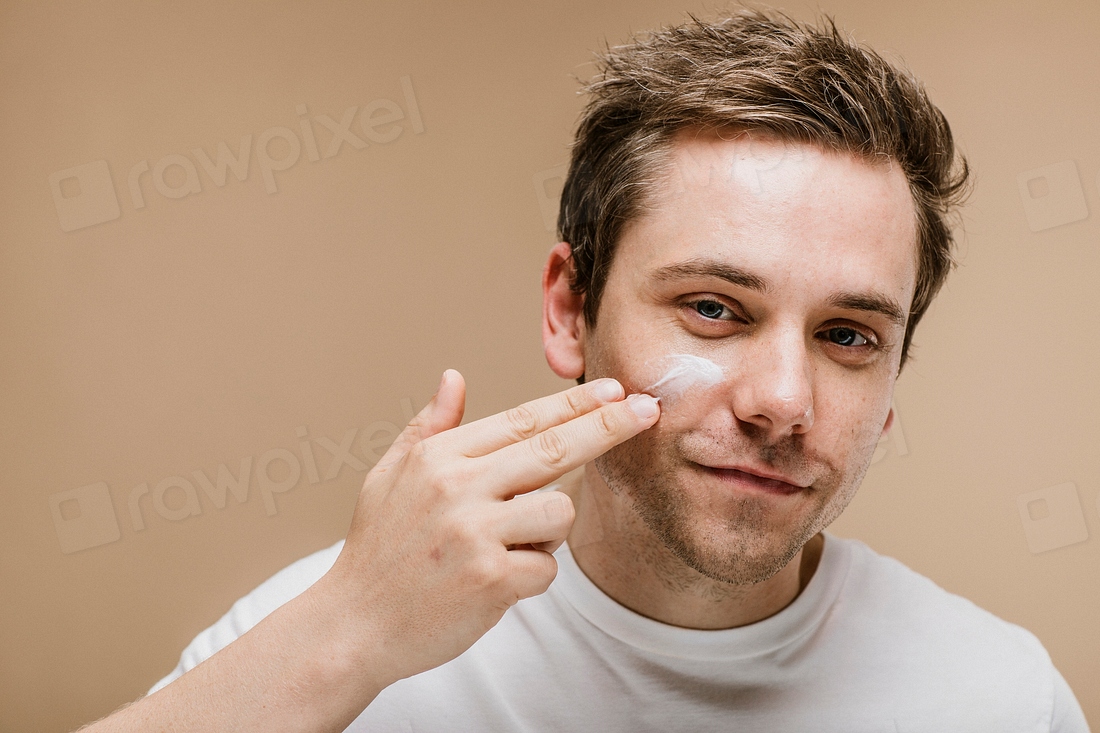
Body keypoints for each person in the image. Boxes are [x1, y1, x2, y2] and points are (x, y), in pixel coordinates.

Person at [79, 9, 1090, 733]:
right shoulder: (334, 640)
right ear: (570, 310)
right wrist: (350, 634)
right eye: (713, 309)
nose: (783, 401)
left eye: (849, 336)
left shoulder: (996, 695)